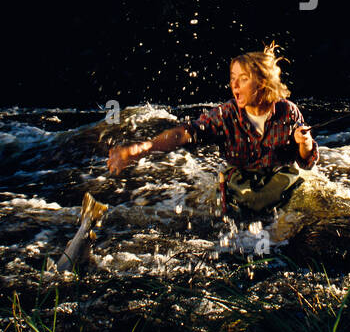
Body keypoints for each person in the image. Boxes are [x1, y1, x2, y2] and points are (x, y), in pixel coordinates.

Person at [107, 43, 319, 215]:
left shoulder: (288, 112)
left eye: (243, 79)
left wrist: (305, 143)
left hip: (280, 180)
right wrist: (142, 148)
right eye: (233, 78)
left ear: (262, 83)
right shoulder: (225, 114)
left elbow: (306, 160)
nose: (235, 85)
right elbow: (184, 133)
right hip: (240, 183)